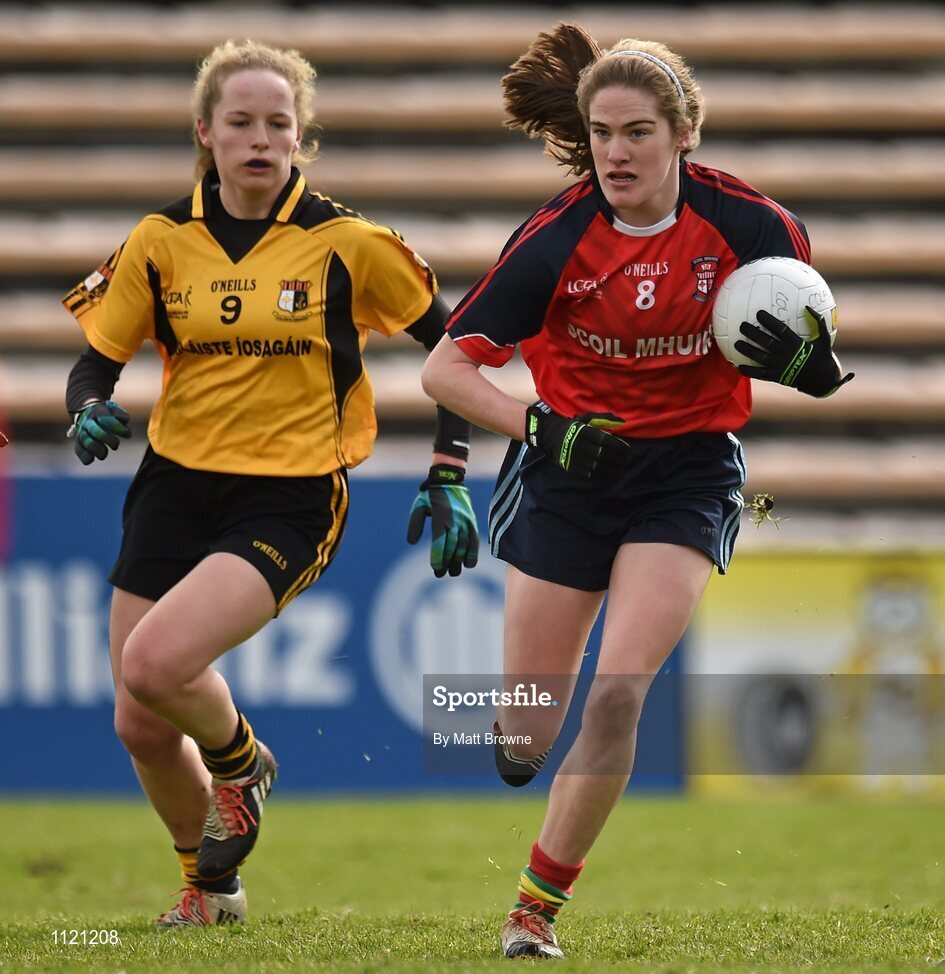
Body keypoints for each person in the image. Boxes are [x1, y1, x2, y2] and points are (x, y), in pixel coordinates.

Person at [421, 22, 853, 960]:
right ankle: (512, 735)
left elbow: (800, 335)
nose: (616, 152)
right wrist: (540, 428)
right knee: (526, 737)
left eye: (638, 133)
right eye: (603, 133)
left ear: (683, 133)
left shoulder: (757, 229)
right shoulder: (553, 237)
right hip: (569, 470)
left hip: (688, 471)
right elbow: (444, 372)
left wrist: (815, 371)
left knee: (617, 694)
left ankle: (532, 912)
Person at [62, 39, 478, 929]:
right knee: (138, 722)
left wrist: (451, 463)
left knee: (155, 666)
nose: (260, 138)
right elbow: (93, 365)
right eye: (240, 122)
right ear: (205, 132)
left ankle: (244, 763)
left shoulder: (346, 242)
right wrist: (87, 407)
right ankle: (209, 889)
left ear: (302, 139)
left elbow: (457, 349)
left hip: (289, 493)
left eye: (278, 123)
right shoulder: (160, 239)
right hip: (173, 483)